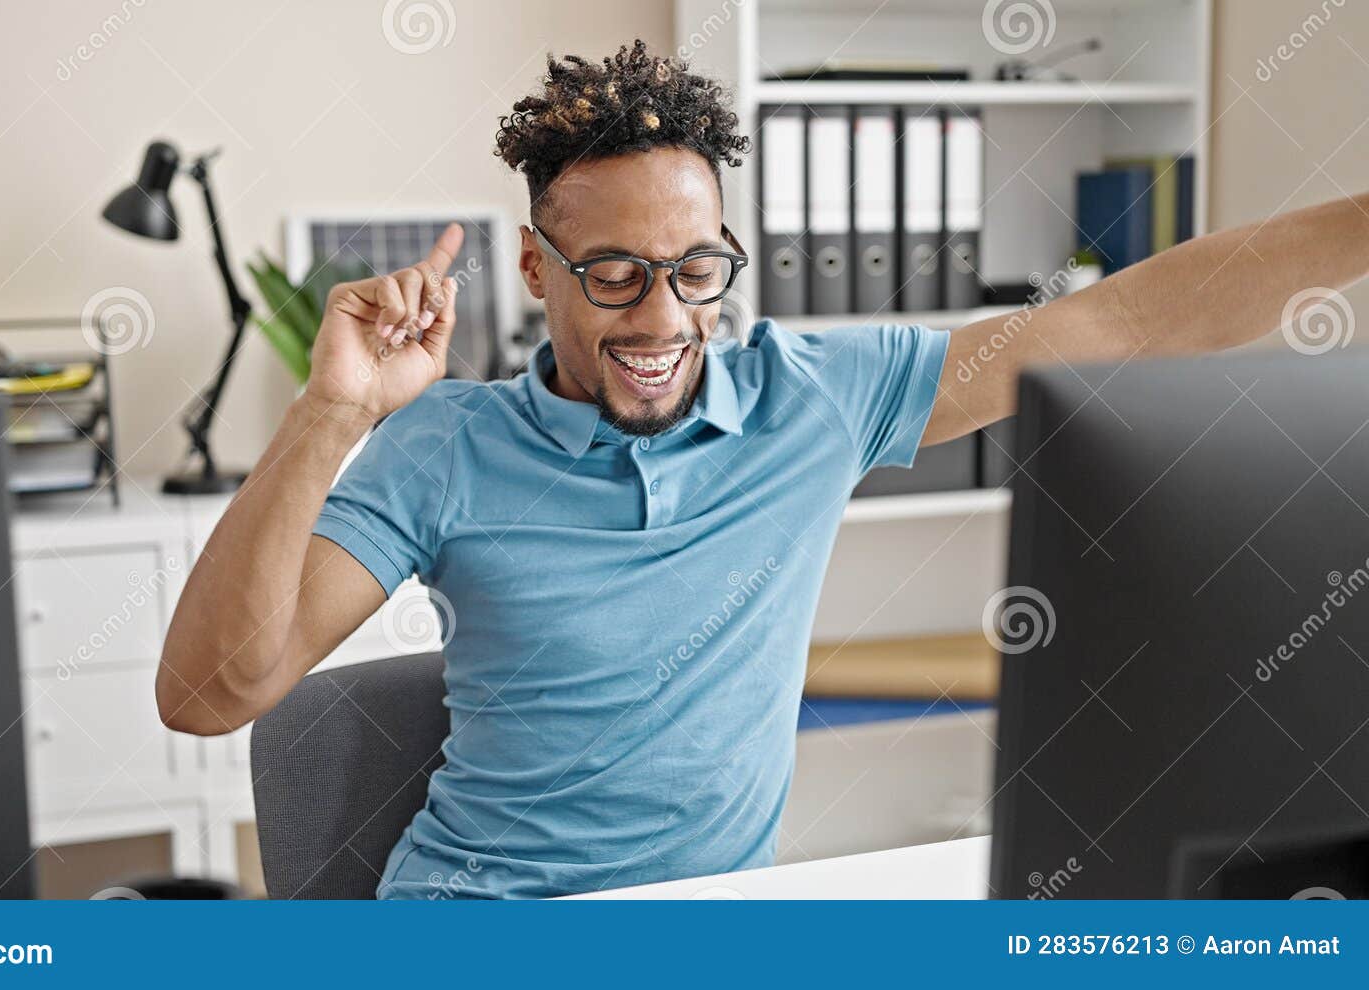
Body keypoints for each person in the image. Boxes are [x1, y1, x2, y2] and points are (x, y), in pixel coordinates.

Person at [157, 40, 1369, 898]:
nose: (663, 319)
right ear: (535, 271)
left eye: (694, 269)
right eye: (614, 272)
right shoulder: (446, 447)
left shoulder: (816, 397)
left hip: (717, 921)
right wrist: (330, 414)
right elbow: (210, 696)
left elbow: (1122, 324)